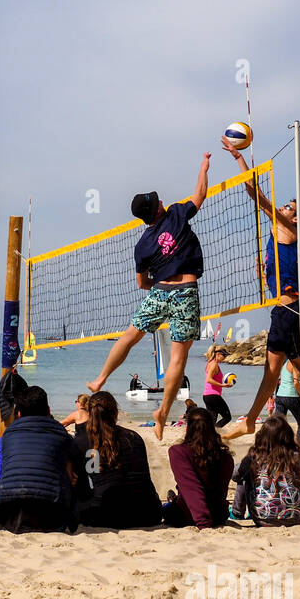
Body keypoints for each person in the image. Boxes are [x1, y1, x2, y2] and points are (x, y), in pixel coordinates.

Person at [87, 151, 213, 440]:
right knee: (178, 360)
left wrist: (158, 284)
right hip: (185, 291)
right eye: (158, 201)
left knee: (129, 337)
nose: (162, 202)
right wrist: (204, 165)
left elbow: (141, 282)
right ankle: (163, 414)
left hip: (159, 291)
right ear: (157, 209)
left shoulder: (142, 245)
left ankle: (100, 378)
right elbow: (200, 194)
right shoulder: (177, 214)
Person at [220, 137, 300, 439]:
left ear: (295, 219)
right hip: (294, 307)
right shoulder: (281, 231)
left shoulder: (288, 229)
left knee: (275, 370)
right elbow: (257, 197)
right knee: (298, 370)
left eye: (289, 206)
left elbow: (256, 195)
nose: (284, 206)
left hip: (288, 308)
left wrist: (238, 158)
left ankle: (251, 420)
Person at [0, 385, 80, 533]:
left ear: (19, 414)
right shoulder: (63, 437)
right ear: (48, 411)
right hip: (51, 515)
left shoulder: (5, 439)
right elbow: (81, 481)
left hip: (8, 514)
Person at [74, 391, 164, 528]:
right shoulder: (133, 437)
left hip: (106, 515)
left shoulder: (82, 442)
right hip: (149, 513)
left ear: (89, 414)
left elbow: (83, 490)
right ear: (115, 413)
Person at [162, 406, 233, 528]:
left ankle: (171, 500)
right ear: (212, 428)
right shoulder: (225, 456)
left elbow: (192, 489)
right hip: (219, 515)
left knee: (166, 508)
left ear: (188, 428)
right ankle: (173, 498)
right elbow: (221, 491)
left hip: (189, 515)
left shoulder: (179, 452)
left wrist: (204, 523)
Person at [230, 414, 300, 526]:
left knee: (244, 476)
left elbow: (235, 476)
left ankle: (237, 513)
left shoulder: (255, 456)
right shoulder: (297, 455)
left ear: (262, 436)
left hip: (263, 517)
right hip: (296, 516)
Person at [272, 358, 300, 440]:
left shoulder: (283, 363)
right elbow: (296, 382)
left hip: (280, 395)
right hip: (291, 396)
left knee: (278, 423)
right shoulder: (293, 363)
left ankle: (276, 444)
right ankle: (299, 446)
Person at [202, 347, 234, 428]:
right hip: (213, 396)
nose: (225, 358)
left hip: (207, 396)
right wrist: (223, 385)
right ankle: (215, 433)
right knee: (227, 417)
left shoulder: (210, 362)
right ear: (218, 354)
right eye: (224, 356)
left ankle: (209, 435)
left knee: (212, 419)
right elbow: (209, 379)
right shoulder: (214, 365)